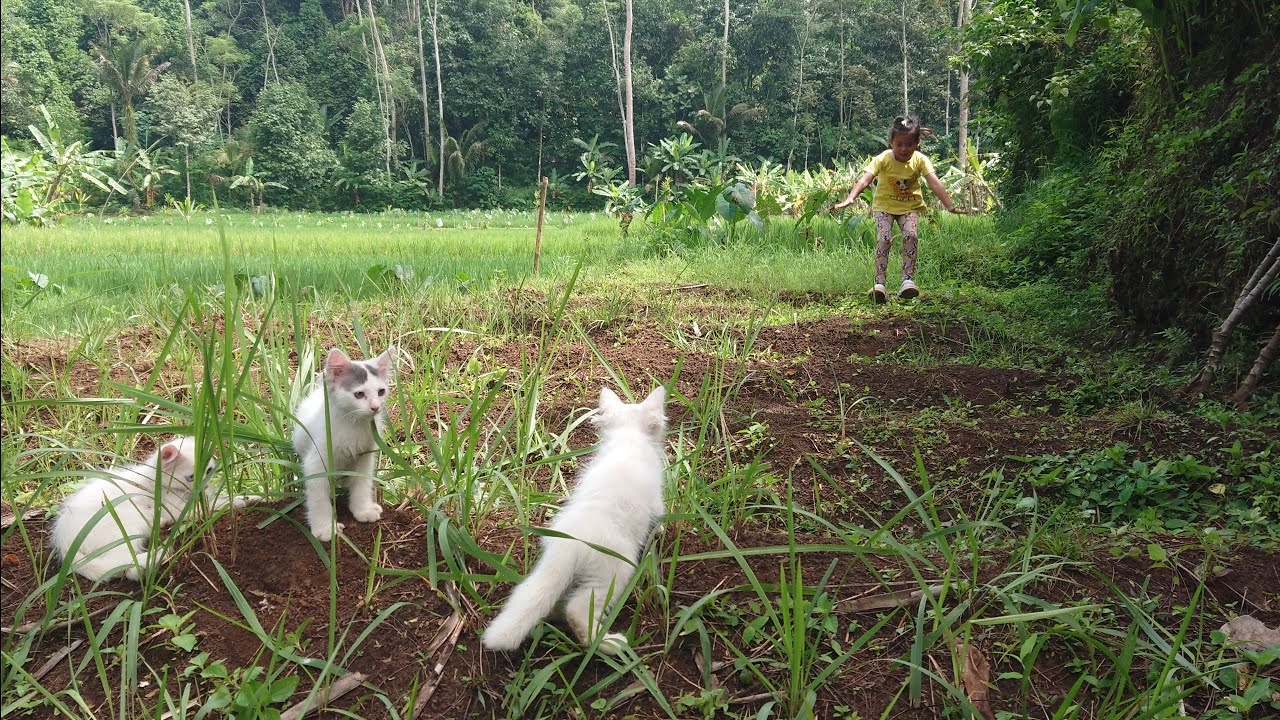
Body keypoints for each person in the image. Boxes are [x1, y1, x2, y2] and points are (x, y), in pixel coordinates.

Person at [834, 116, 961, 303]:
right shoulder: (883, 158)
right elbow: (865, 179)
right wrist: (851, 198)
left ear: (917, 144)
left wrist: (949, 205)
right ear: (891, 142)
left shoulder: (920, 160)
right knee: (884, 239)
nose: (904, 149)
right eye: (899, 144)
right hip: (884, 206)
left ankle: (907, 282)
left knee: (911, 236)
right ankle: (879, 284)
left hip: (909, 207)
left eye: (909, 144)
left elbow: (934, 182)